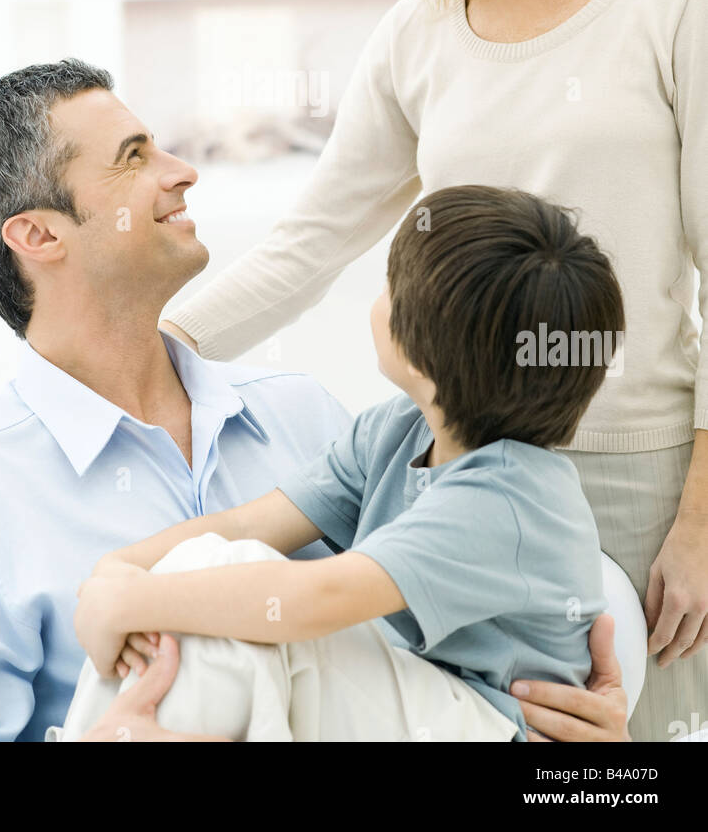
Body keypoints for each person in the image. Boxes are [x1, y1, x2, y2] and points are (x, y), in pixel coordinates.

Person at [162, 0, 708, 742]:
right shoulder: (418, 37)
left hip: (645, 479)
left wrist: (703, 517)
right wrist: (152, 348)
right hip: (470, 480)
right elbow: (310, 241)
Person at [0, 60, 628, 742]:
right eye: (134, 158)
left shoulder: (307, 417)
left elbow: (415, 666)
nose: (184, 169)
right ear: (39, 236)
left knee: (211, 567)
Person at [59, 185, 622, 743]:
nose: (379, 298)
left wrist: (131, 599)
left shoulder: (509, 497)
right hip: (411, 699)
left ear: (425, 363)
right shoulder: (399, 429)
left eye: (390, 288)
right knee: (206, 569)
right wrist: (113, 574)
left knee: (213, 592)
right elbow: (247, 524)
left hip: (488, 721)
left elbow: (316, 600)